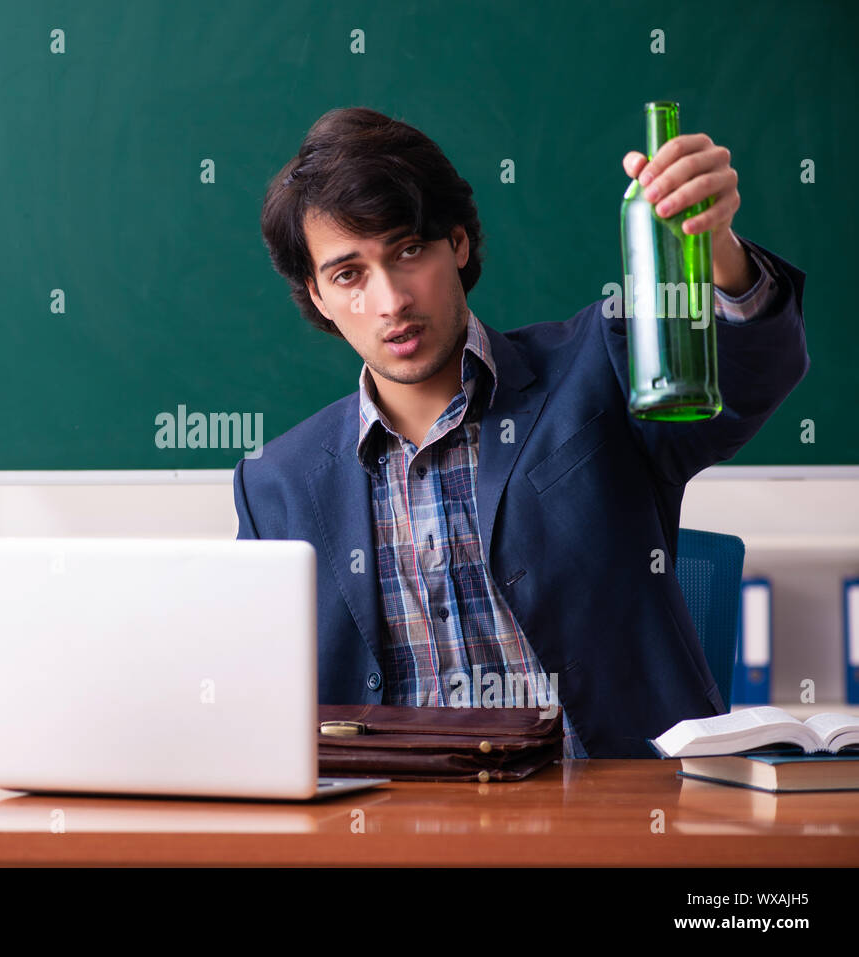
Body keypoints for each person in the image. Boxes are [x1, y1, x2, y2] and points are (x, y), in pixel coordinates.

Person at [233, 107, 808, 758]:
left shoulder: (598, 369)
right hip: (394, 830)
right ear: (316, 295)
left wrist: (719, 249)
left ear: (457, 243)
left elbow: (754, 370)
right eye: (349, 274)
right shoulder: (276, 484)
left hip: (616, 821)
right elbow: (257, 695)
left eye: (408, 249)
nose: (390, 299)